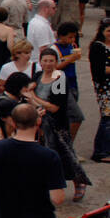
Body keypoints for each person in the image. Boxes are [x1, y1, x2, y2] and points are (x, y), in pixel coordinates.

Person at [30, 46, 90, 201]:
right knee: (44, 158)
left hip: (57, 126)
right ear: (40, 62)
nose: (48, 64)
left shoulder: (60, 79)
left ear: (56, 62)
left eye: (52, 61)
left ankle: (79, 182)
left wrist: (34, 98)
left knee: (66, 155)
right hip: (41, 125)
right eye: (45, 61)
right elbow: (27, 93)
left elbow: (55, 107)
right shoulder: (37, 76)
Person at [89, 17, 110, 163]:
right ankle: (100, 152)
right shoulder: (97, 47)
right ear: (102, 31)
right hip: (105, 88)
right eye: (109, 31)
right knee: (107, 119)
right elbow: (99, 71)